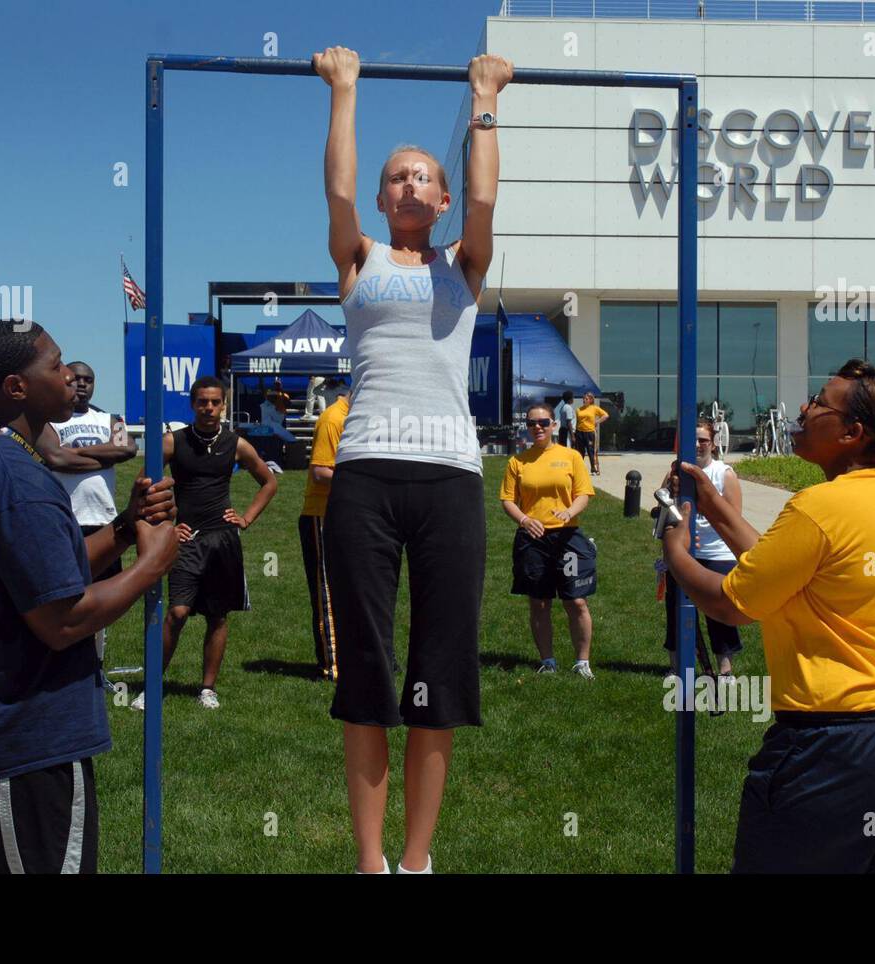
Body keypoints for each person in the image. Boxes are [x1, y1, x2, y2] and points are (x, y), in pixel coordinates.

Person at [316, 44, 513, 875]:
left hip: (450, 482)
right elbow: (335, 188)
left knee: (440, 667)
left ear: (438, 199)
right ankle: (371, 864)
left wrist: (482, 98)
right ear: (381, 194)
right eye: (395, 175)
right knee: (367, 667)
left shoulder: (464, 266)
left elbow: (484, 193)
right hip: (363, 474)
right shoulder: (356, 258)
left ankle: (417, 859)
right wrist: (345, 92)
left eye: (420, 176)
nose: (407, 184)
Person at [661, 359, 875, 873]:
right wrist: (714, 506)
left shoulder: (821, 507)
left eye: (819, 402)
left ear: (852, 433)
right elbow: (780, 574)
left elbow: (730, 602)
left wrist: (674, 543)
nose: (804, 408)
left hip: (839, 748)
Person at [0, 319, 178, 873]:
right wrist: (150, 567)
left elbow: (36, 579)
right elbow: (61, 620)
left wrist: (126, 527)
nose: (71, 378)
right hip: (23, 739)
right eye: (57, 366)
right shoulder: (20, 481)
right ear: (17, 386)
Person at [133, 376, 277, 711]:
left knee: (218, 616)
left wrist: (246, 518)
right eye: (202, 402)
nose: (209, 408)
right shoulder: (173, 441)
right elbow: (144, 486)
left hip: (223, 541)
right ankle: (152, 687)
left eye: (215, 402)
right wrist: (168, 524)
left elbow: (268, 482)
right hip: (186, 540)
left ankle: (208, 689)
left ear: (224, 405)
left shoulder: (236, 444)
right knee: (177, 613)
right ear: (193, 404)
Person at [37, 361, 139, 688]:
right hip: (64, 522)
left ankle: (95, 669)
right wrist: (105, 454)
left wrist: (79, 452)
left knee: (100, 603)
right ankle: (57, 671)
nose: (81, 385)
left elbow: (129, 448)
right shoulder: (48, 420)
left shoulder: (110, 419)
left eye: (88, 380)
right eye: (75, 379)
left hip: (103, 522)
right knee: (61, 601)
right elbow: (56, 459)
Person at [499, 403, 597, 678]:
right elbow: (507, 499)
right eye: (532, 423)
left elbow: (583, 494)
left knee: (576, 601)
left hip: (567, 538)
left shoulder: (571, 456)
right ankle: (548, 662)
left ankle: (582, 663)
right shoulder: (518, 461)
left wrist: (569, 512)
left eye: (543, 422)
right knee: (539, 601)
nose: (537, 427)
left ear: (554, 425)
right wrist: (525, 520)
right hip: (533, 539)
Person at [660, 418, 743, 678]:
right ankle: (676, 667)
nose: (697, 445)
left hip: (717, 553)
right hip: (684, 554)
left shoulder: (724, 474)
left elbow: (733, 519)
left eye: (703, 440)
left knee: (719, 613)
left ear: (713, 443)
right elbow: (663, 503)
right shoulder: (676, 470)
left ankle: (725, 670)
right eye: (692, 440)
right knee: (676, 610)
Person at [299, 384, 350, 679]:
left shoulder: (359, 419)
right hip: (322, 515)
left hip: (348, 514)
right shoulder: (333, 419)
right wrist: (360, 478)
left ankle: (352, 659)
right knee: (327, 591)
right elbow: (320, 472)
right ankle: (333, 665)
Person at [574, 391, 608, 475]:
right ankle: (579, 469)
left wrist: (597, 421)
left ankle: (593, 468)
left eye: (586, 399)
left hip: (589, 433)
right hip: (579, 432)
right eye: (583, 399)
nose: (584, 400)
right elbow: (577, 421)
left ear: (590, 400)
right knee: (579, 452)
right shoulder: (578, 409)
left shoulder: (594, 408)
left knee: (591, 451)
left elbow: (605, 415)